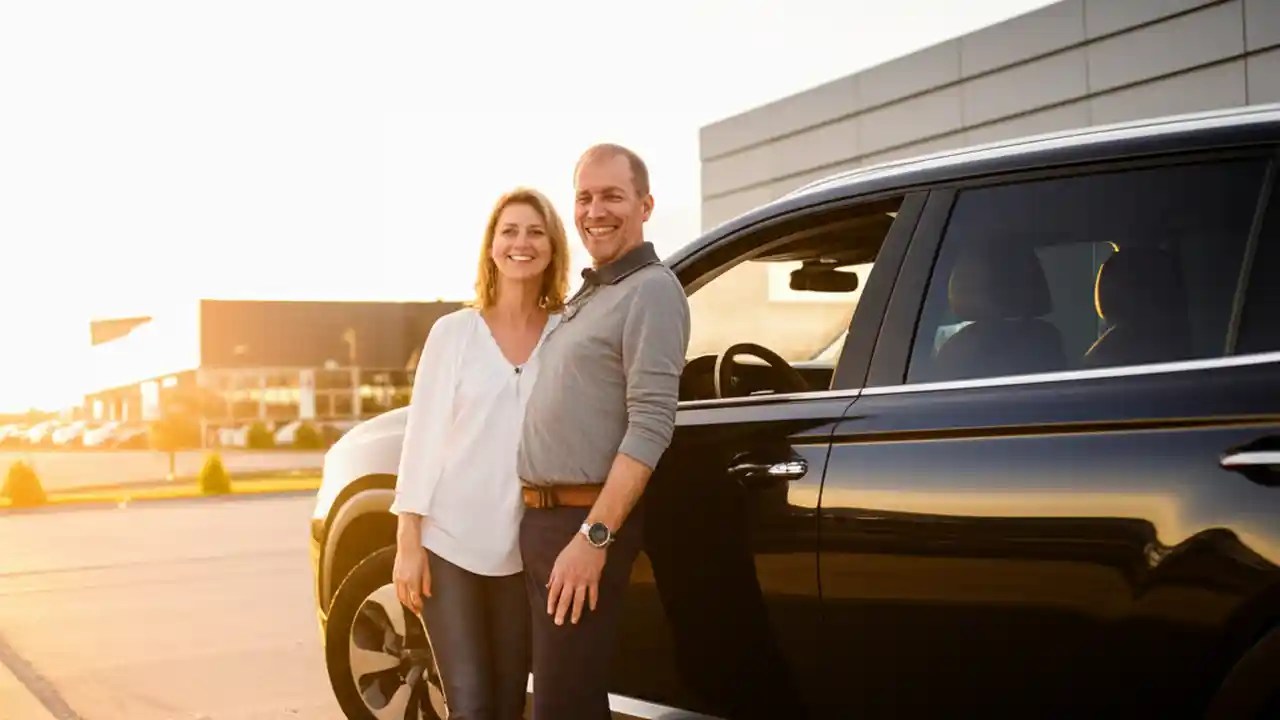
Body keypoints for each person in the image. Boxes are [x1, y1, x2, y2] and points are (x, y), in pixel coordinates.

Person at [516, 143, 691, 719]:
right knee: (563, 702)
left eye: (612, 196)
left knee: (563, 707)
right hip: (542, 525)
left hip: (581, 526)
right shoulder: (592, 293)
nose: (596, 210)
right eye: (585, 197)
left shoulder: (652, 290)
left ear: (645, 204)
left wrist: (593, 540)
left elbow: (650, 425)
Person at [390, 187, 571, 720]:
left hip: (524, 549)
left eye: (535, 231)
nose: (522, 242)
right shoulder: (454, 333)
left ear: (552, 246)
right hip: (449, 546)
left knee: (509, 701)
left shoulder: (566, 333)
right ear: (491, 247)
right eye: (509, 231)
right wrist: (408, 541)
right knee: (470, 704)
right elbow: (420, 439)